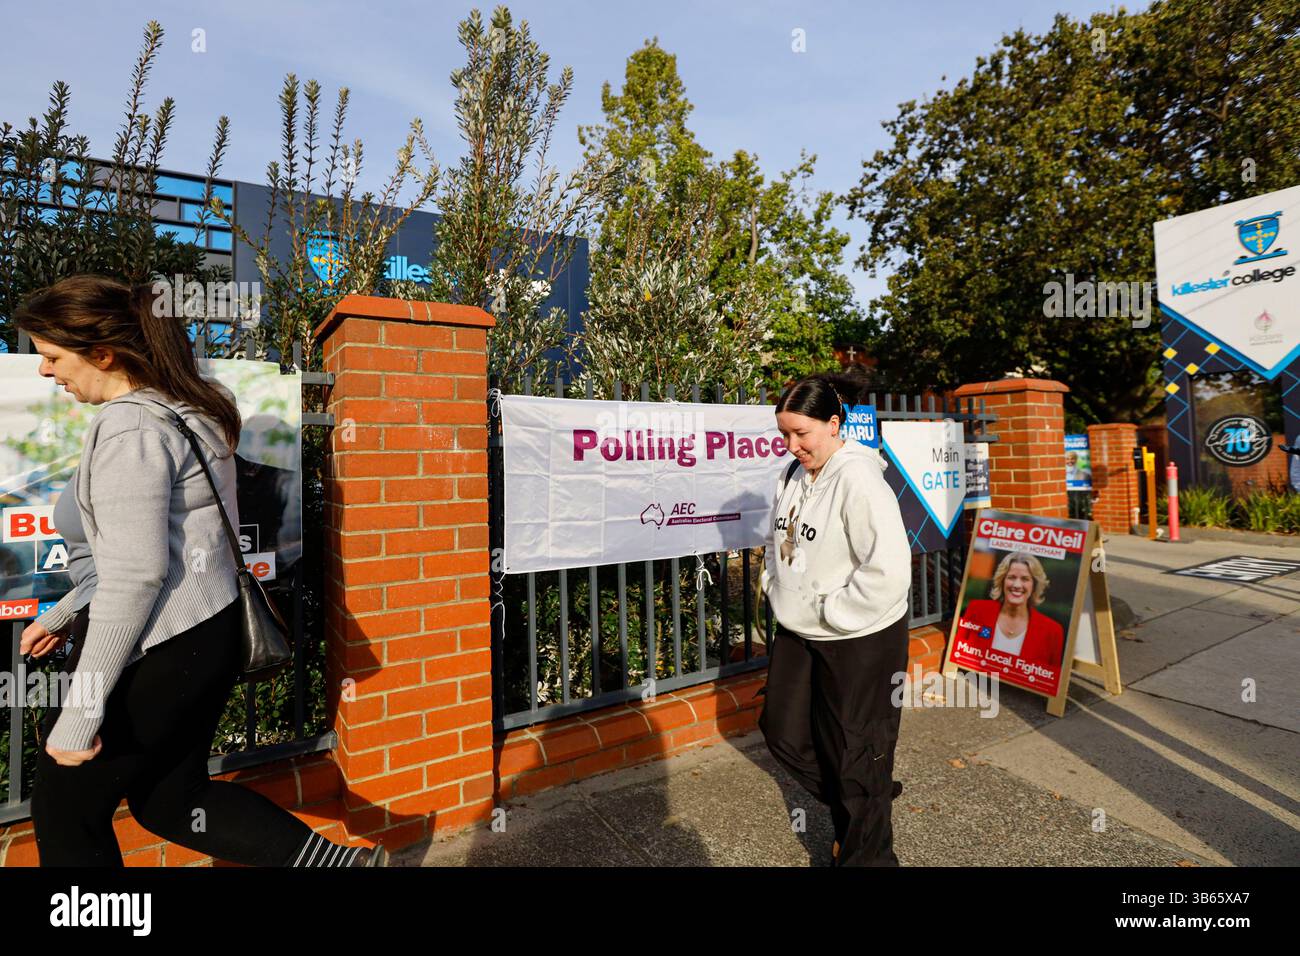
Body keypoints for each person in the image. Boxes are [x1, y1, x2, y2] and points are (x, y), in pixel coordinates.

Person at [16, 274, 385, 867]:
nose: (46, 371)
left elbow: (134, 577)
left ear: (102, 353)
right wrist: (63, 614)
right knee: (170, 800)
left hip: (159, 645)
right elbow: (143, 553)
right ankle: (342, 866)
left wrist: (80, 713)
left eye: (54, 357)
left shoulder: (130, 427)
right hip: (204, 636)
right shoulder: (188, 412)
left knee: (66, 811)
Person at [757, 367, 913, 867]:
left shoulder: (860, 478)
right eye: (784, 434)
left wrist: (833, 610)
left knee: (855, 750)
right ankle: (867, 795)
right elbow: (780, 541)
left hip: (860, 636)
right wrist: (773, 584)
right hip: (800, 630)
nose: (792, 444)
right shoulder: (794, 474)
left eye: (800, 433)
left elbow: (888, 570)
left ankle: (867, 844)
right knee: (784, 732)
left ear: (833, 424)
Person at [957, 550, 1064, 675]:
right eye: (1011, 577)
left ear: (1034, 585)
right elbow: (958, 651)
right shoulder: (976, 609)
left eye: (1025, 579)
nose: (1017, 585)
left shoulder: (1053, 631)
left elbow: (1052, 678)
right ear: (1002, 581)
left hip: (1023, 692)